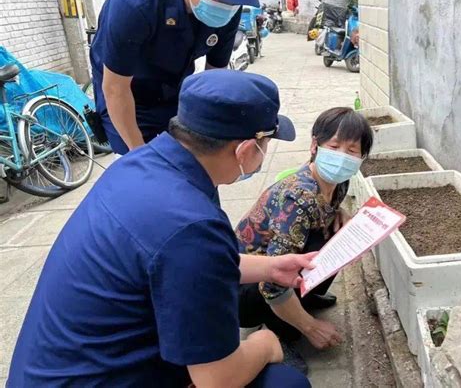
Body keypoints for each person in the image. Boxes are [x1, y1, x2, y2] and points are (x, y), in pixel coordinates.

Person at [8, 70, 312, 388]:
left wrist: (270, 267)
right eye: (266, 143)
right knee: (284, 383)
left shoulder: (138, 166)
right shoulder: (192, 226)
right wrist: (266, 344)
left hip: (55, 371)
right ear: (246, 150)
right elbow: (217, 379)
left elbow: (186, 263)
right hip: (98, 377)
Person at [90, 0, 261, 155]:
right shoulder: (136, 1)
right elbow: (115, 89)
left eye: (233, 0)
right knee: (147, 173)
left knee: (196, 165)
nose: (226, 6)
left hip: (175, 91)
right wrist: (139, 156)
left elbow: (214, 76)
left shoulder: (229, 9)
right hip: (129, 97)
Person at [237, 107, 373, 371]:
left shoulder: (338, 183)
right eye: (334, 146)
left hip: (272, 268)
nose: (341, 157)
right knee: (292, 272)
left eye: (352, 151)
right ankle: (279, 335)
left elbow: (327, 208)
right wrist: (311, 328)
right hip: (243, 290)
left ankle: (304, 299)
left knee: (334, 238)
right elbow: (272, 282)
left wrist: (340, 212)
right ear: (315, 145)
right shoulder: (296, 199)